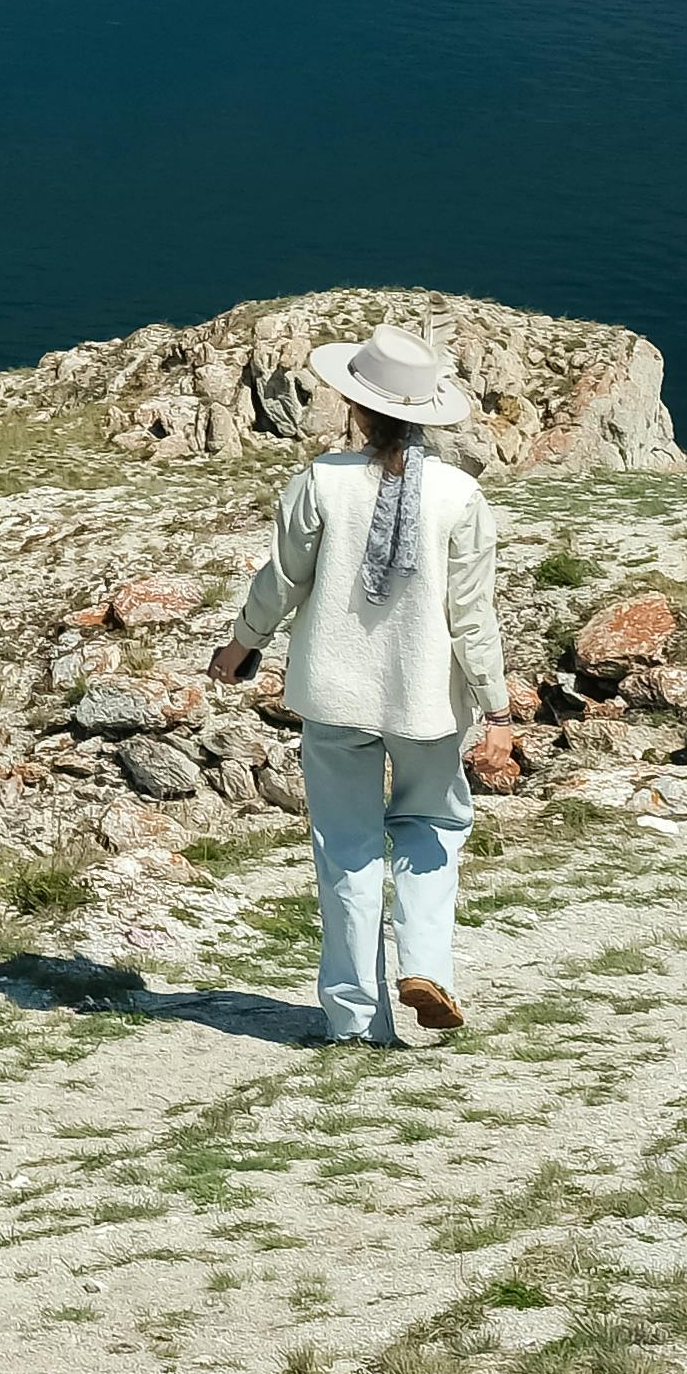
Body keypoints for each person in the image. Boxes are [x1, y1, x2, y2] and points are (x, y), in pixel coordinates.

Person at [204, 325, 512, 1051]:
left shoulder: (319, 481)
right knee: (432, 827)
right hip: (427, 700)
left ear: (357, 407)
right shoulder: (460, 495)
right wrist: (494, 701)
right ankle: (425, 966)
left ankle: (352, 1017)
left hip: (334, 694)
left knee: (344, 844)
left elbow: (280, 582)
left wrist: (239, 647)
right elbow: (471, 615)